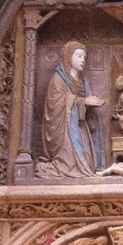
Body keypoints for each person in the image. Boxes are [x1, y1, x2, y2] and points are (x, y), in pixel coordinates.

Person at [38, 42, 105, 178]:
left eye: (84, 58)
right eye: (79, 56)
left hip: (80, 128)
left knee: (86, 162)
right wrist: (83, 101)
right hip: (65, 130)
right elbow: (55, 106)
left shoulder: (83, 83)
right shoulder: (58, 80)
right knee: (69, 164)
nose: (82, 60)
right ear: (69, 57)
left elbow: (86, 105)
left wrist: (93, 104)